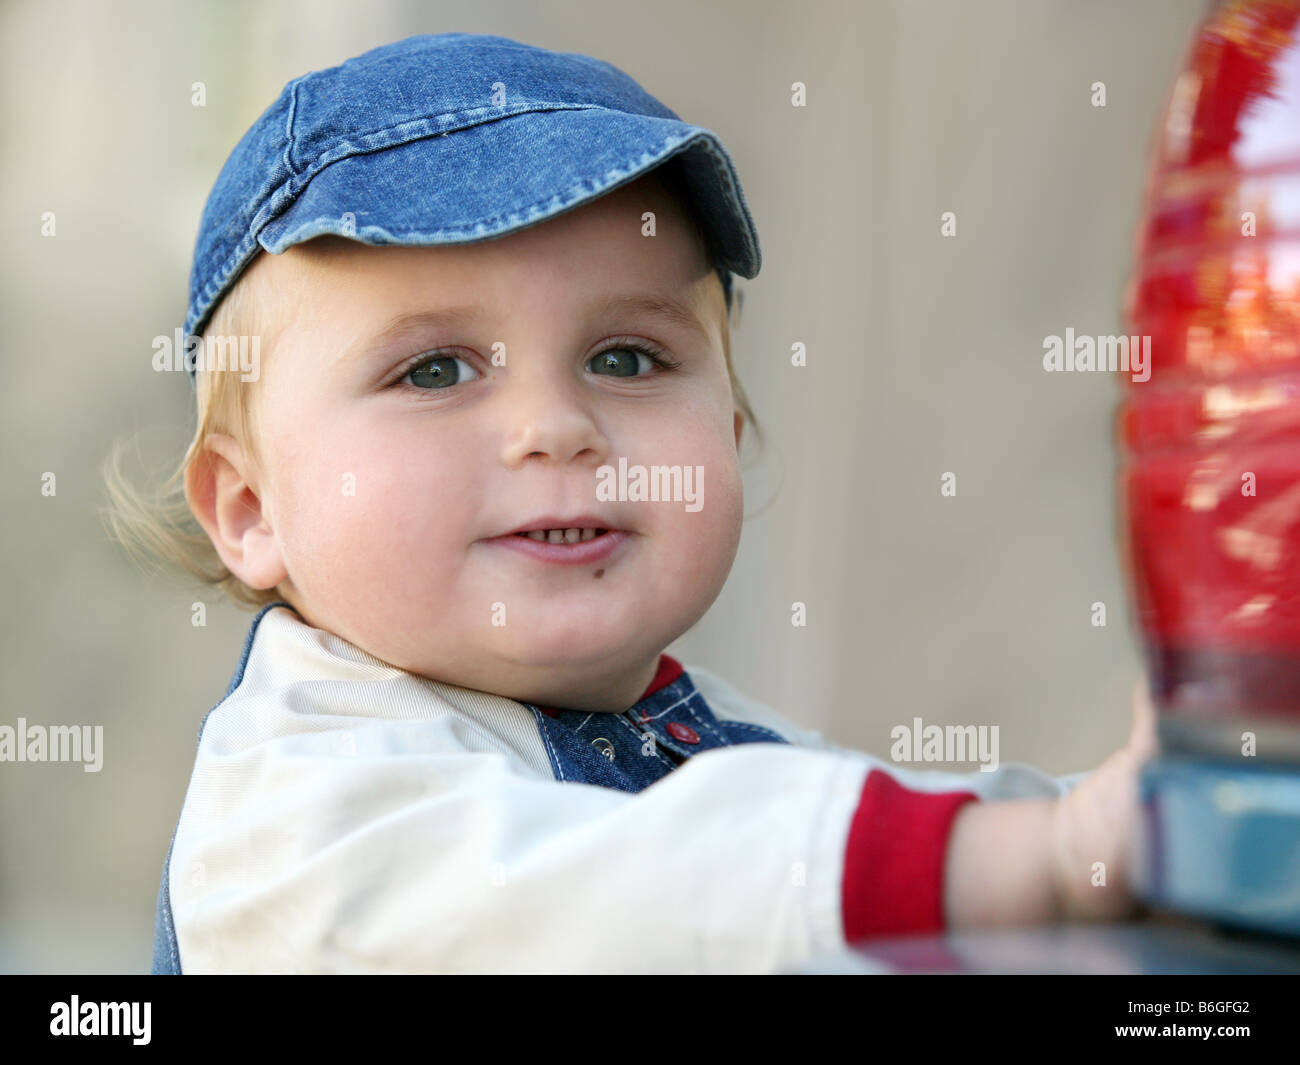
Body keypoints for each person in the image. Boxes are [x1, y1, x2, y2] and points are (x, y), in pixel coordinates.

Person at [104, 32, 1157, 974]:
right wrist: (1050, 860)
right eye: (433, 372)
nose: (553, 427)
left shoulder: (709, 741)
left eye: (625, 356)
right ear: (250, 509)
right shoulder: (298, 815)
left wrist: (1128, 830)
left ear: (731, 433)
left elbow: (915, 846)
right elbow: (608, 897)